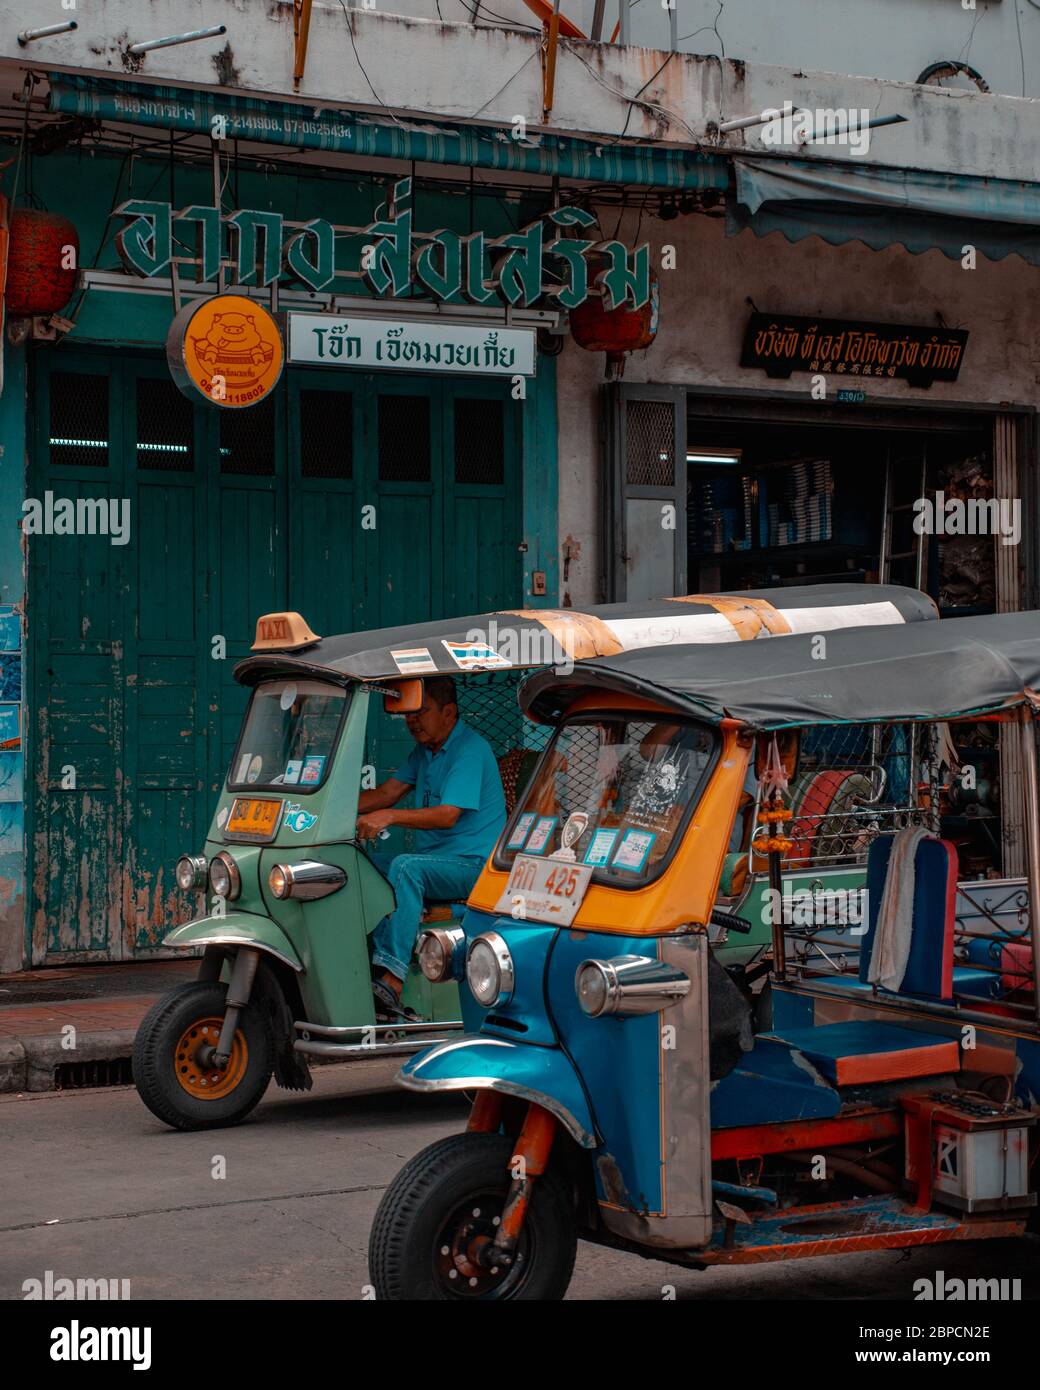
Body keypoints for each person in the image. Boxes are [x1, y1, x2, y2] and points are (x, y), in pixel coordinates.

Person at [355, 675, 506, 1015]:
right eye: (408, 714)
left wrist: (389, 817)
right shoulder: (424, 751)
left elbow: (447, 815)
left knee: (406, 868)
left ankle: (391, 978)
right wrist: (327, 805)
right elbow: (385, 793)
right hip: (436, 863)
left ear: (449, 713)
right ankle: (361, 964)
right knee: (359, 863)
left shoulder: (470, 750)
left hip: (474, 867)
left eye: (420, 712)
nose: (412, 721)